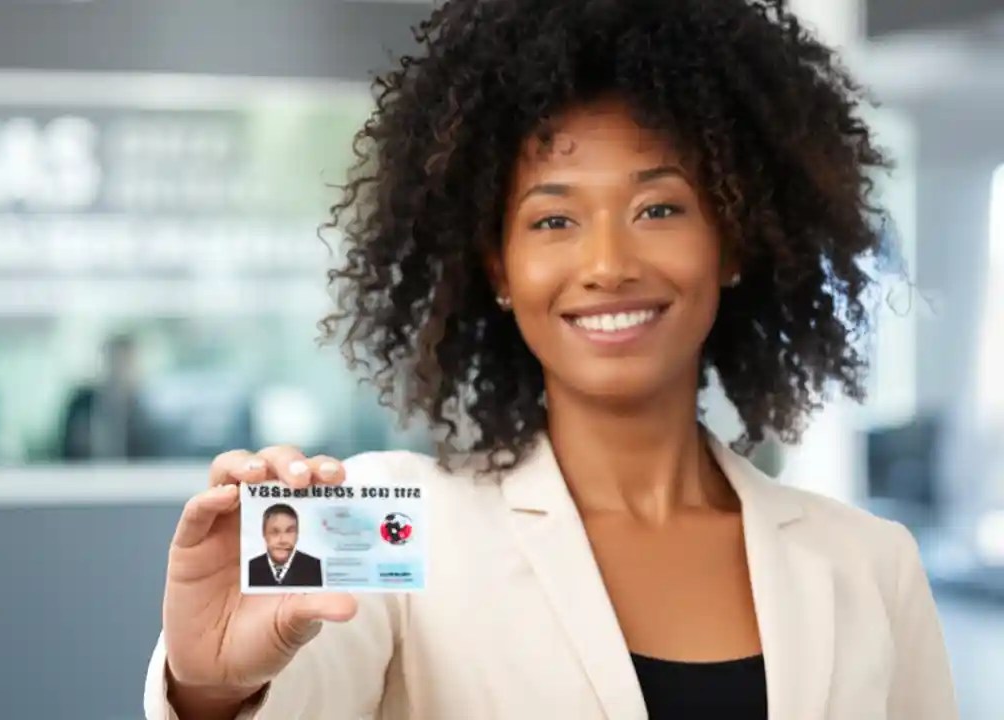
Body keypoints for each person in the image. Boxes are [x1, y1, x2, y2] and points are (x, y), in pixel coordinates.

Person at [145, 1, 958, 718]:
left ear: (734, 243)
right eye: (553, 221)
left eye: (659, 207)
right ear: (496, 268)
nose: (607, 263)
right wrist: (212, 693)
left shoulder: (869, 566)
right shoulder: (382, 524)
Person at [60, 333, 157, 461]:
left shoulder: (143, 412)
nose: (119, 371)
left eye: (126, 364)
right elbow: (65, 449)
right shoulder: (81, 402)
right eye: (115, 361)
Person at [247, 504, 324, 587]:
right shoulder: (249, 569)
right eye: (275, 532)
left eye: (289, 531)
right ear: (264, 534)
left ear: (297, 534)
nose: (283, 540)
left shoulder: (316, 568)